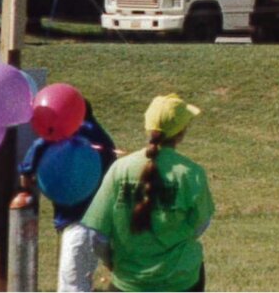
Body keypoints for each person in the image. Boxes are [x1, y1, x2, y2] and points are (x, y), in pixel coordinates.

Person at [82, 95, 213, 292]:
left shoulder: (120, 169)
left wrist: (112, 263)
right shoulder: (191, 173)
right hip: (182, 280)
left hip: (128, 282)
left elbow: (97, 235)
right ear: (181, 131)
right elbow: (200, 225)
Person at [19, 100, 118, 292]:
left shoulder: (65, 135)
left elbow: (32, 162)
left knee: (72, 287)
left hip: (80, 224)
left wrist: (28, 174)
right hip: (101, 222)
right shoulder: (99, 135)